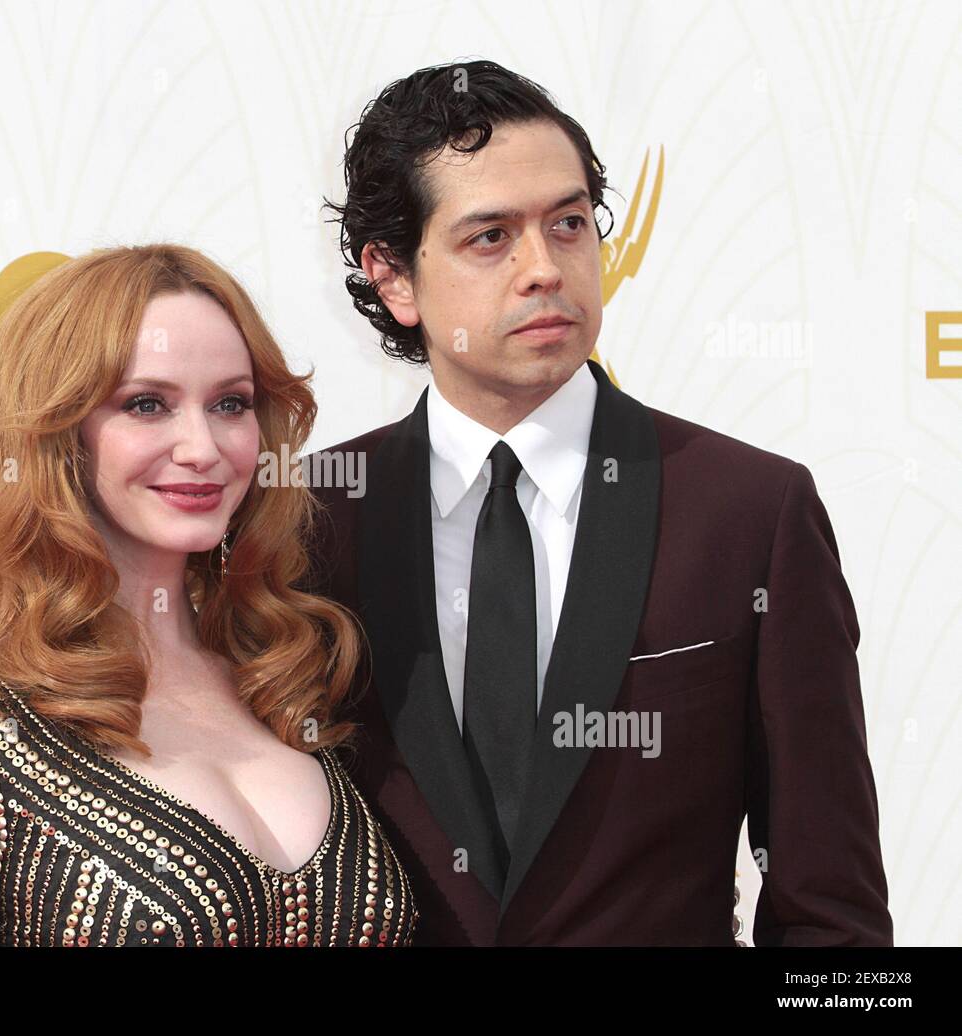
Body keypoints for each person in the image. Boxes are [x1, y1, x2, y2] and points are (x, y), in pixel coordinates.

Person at [307, 59, 892, 946]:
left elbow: (830, 905)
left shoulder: (751, 512)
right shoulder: (307, 523)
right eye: (491, 237)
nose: (545, 269)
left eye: (569, 224)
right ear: (392, 276)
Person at [0, 244, 417, 947]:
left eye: (230, 403)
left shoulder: (286, 677)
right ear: (57, 435)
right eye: (148, 404)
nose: (202, 446)